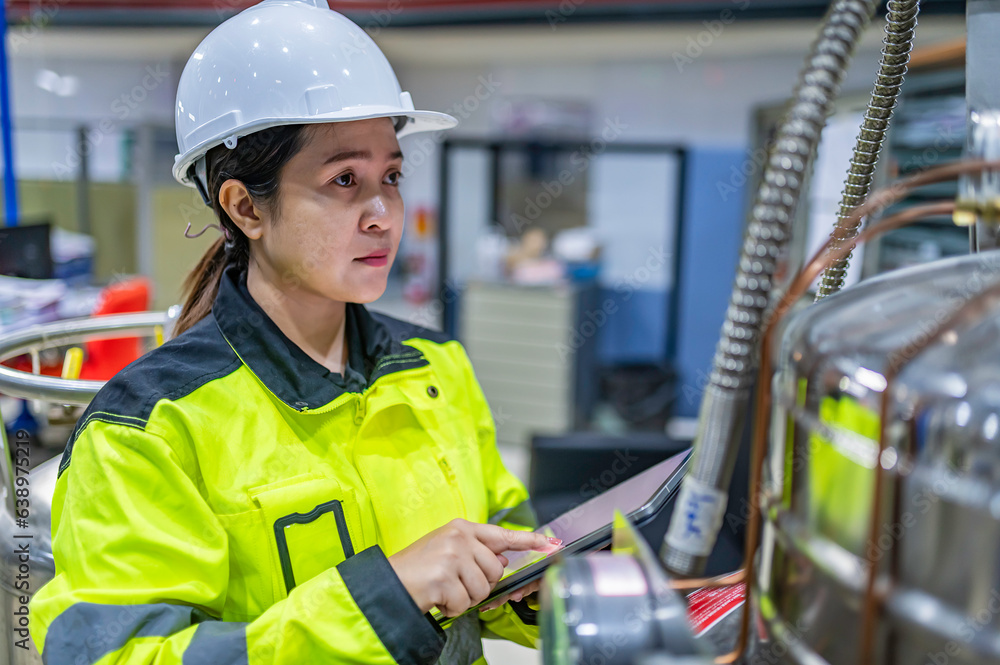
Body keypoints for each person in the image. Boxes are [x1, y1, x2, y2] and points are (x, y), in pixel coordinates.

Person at [29, 1, 557, 663]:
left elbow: (501, 538)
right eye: (343, 180)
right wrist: (384, 596)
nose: (383, 215)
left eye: (390, 176)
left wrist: (535, 583)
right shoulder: (149, 430)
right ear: (245, 205)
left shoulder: (435, 365)